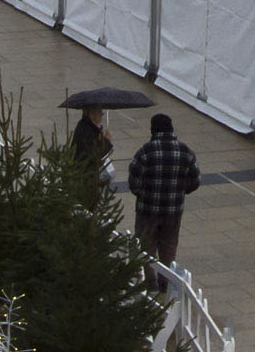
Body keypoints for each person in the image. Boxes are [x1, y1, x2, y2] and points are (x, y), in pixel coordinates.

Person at [125, 112, 201, 276]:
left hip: (147, 211)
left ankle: (149, 283)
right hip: (173, 212)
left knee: (146, 248)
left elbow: (134, 183)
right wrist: (180, 191)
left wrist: (143, 194)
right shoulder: (186, 151)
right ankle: (166, 281)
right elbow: (195, 181)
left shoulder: (145, 151)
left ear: (153, 130)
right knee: (169, 247)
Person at [70, 105, 113, 189]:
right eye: (99, 112)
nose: (102, 114)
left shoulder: (87, 126)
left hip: (86, 174)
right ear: (91, 114)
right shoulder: (87, 130)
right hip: (85, 177)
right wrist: (106, 141)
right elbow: (94, 154)